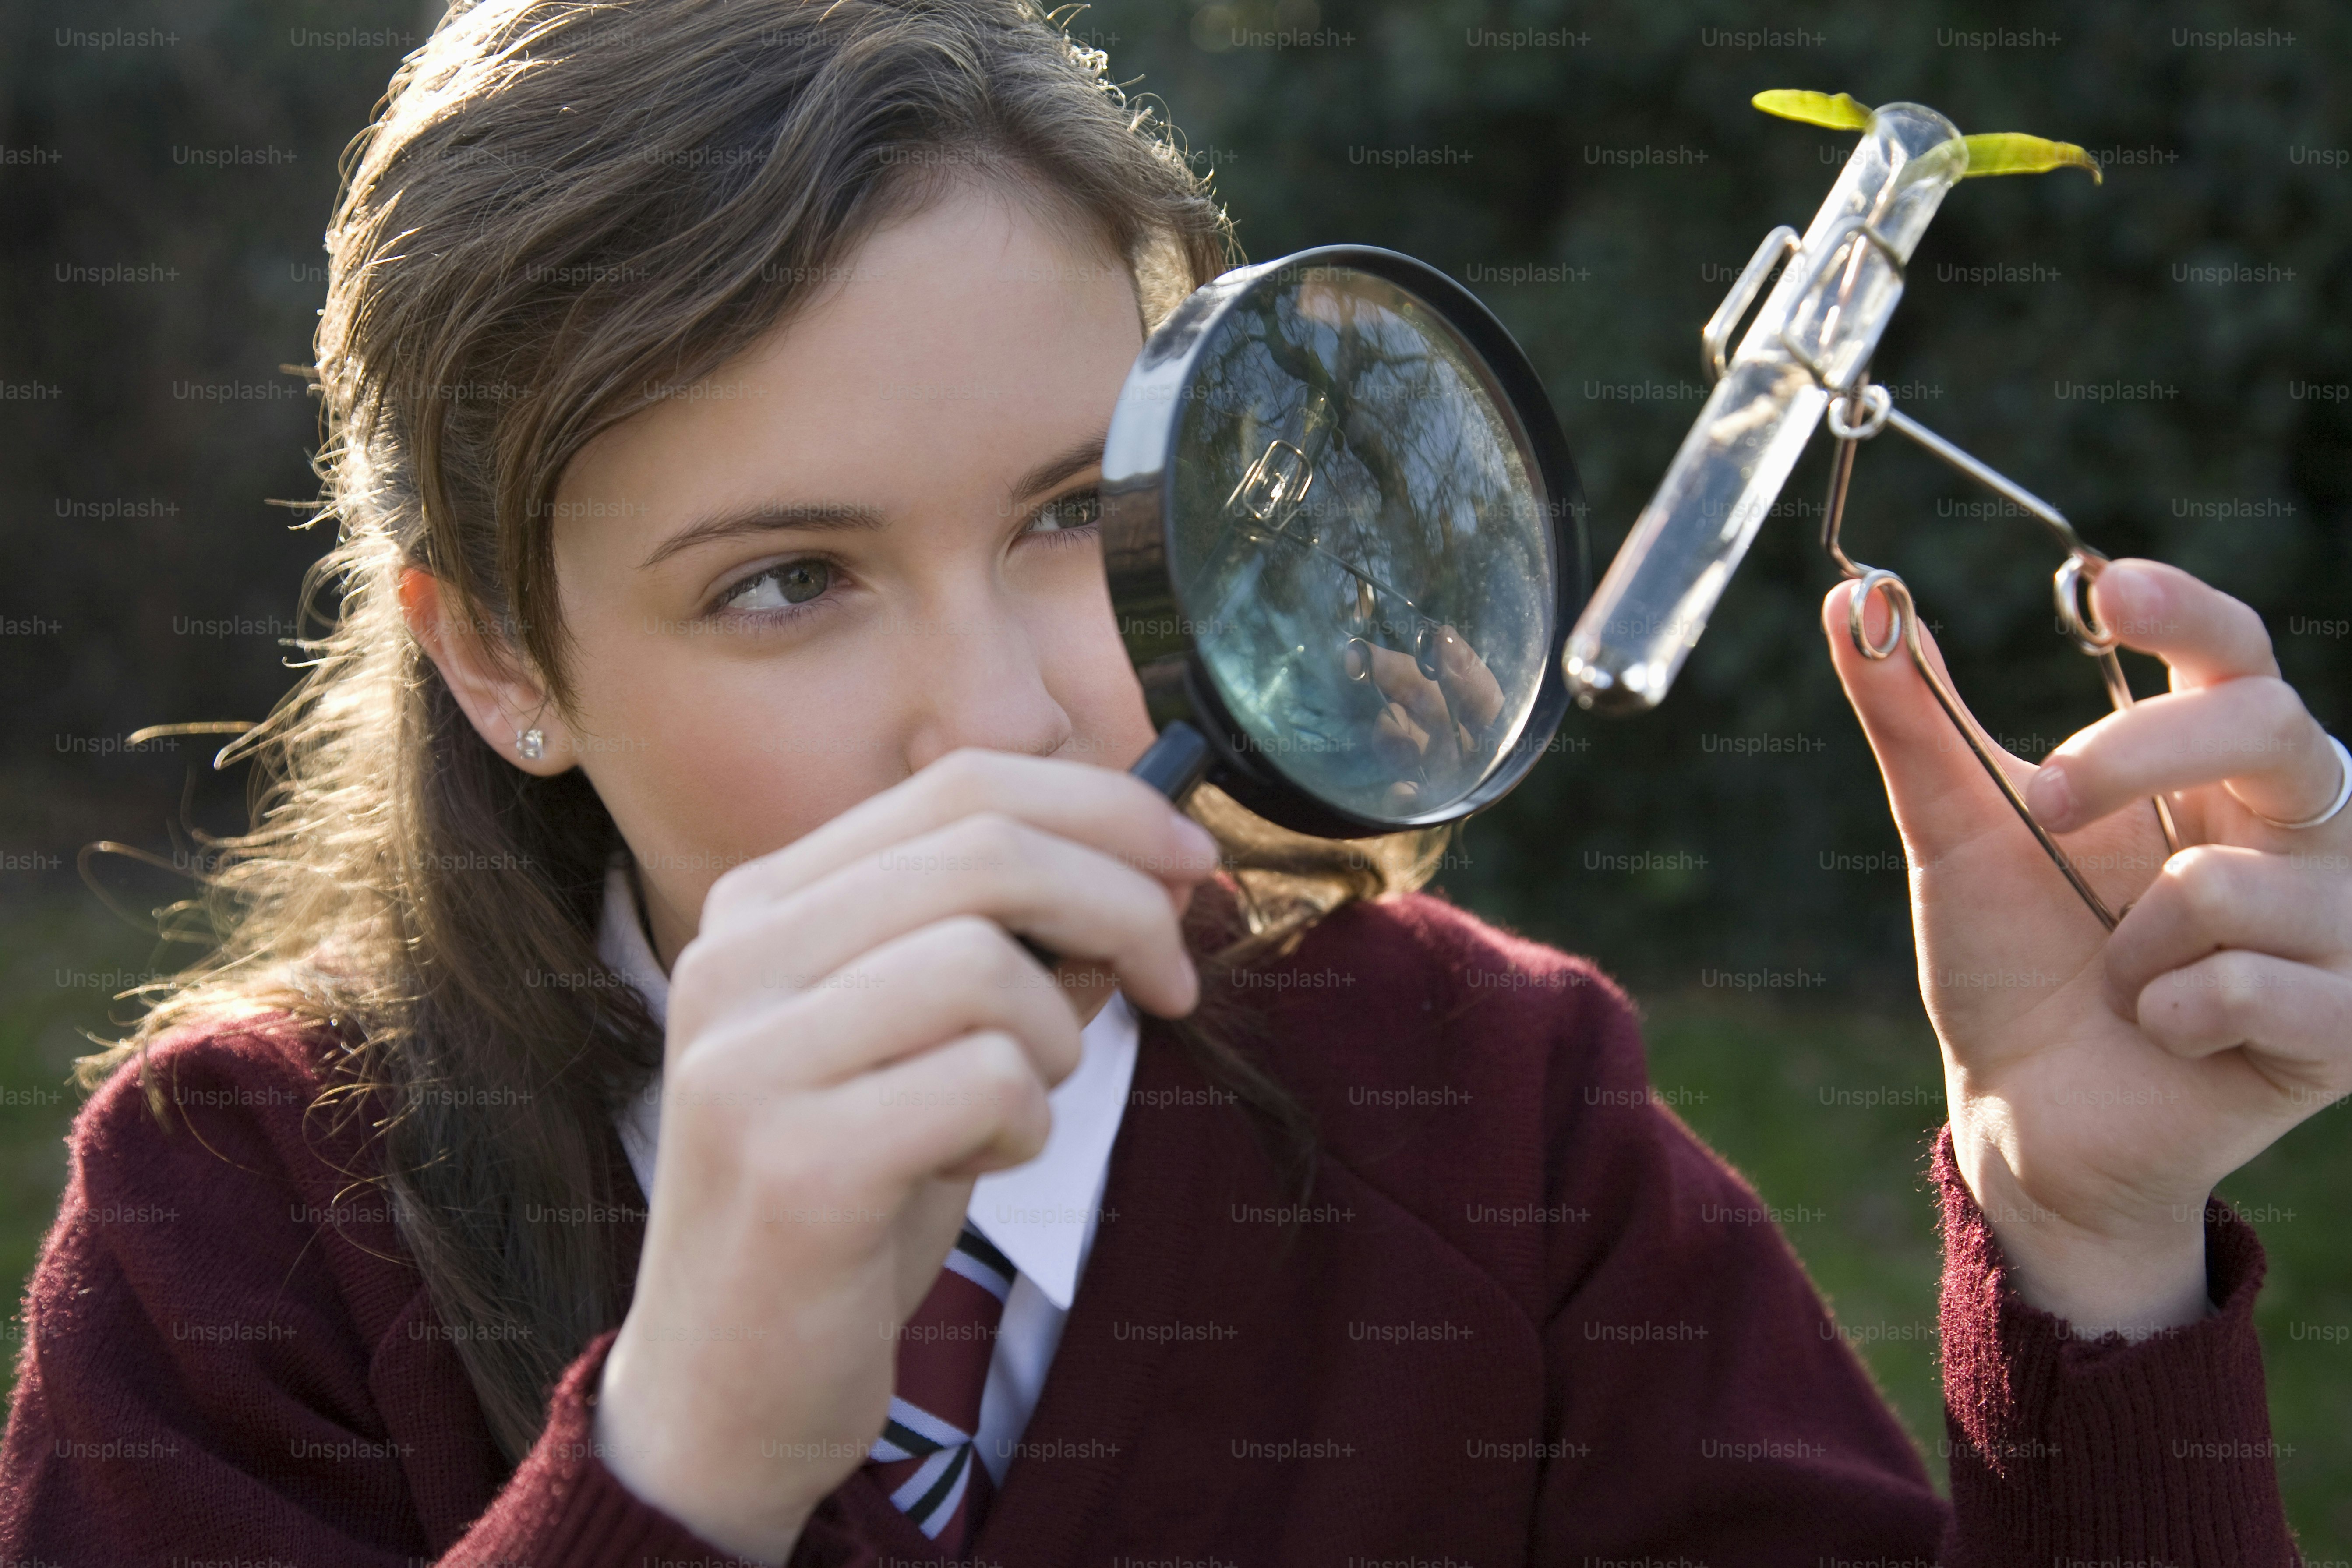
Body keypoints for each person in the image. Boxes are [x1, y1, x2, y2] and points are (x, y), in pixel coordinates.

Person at [1, 2, 2339, 1564]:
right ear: (505, 660)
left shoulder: (1494, 1121)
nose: (1004, 715)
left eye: (1068, 516)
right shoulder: (241, 1225)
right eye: (787, 582)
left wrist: (2088, 1239)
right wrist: (681, 1460)